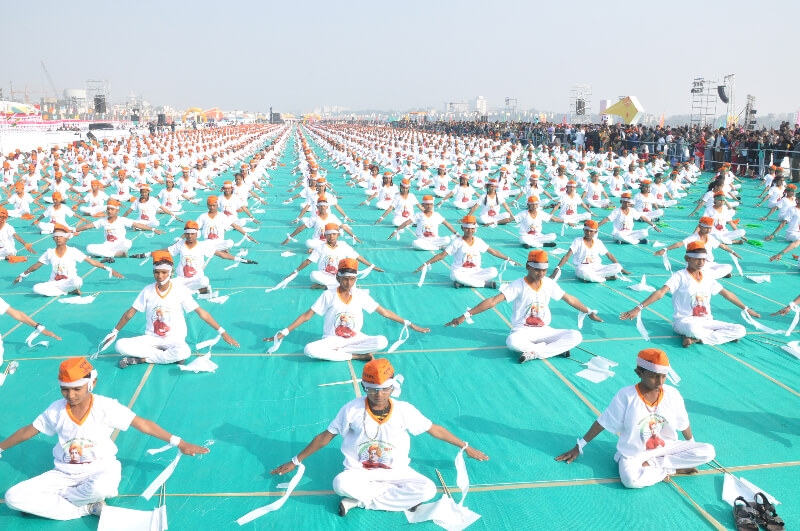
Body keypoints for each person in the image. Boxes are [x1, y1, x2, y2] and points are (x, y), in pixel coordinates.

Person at [270, 358, 488, 516]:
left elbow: (434, 429)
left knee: (428, 489)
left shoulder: (405, 409)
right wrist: (295, 461)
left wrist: (465, 446)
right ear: (365, 386)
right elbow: (325, 437)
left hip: (398, 471)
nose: (379, 394)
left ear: (393, 386)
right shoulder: (351, 409)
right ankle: (392, 499)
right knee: (339, 483)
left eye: (385, 389)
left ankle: (359, 502)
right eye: (373, 389)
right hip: (359, 472)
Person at [1, 357, 210, 521]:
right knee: (12, 497)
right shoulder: (55, 410)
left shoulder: (106, 407)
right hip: (64, 474)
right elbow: (29, 430)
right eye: (64, 389)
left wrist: (179, 442)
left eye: (76, 388)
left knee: (102, 488)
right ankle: (86, 508)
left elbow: (143, 424)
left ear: (92, 383)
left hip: (100, 470)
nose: (70, 394)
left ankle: (57, 504)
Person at [555, 349, 715, 488]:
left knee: (709, 451)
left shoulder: (672, 394)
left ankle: (656, 465)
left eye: (663, 377)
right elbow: (603, 422)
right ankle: (672, 469)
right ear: (639, 373)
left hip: (666, 447)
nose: (659, 382)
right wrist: (579, 446)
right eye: (654, 376)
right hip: (635, 453)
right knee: (630, 481)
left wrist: (691, 448)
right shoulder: (626, 395)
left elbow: (683, 422)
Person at [445, 250, 601, 363]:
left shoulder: (548, 283)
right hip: (523, 332)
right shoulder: (518, 285)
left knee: (576, 335)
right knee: (512, 342)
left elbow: (569, 299)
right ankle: (551, 350)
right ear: (528, 266)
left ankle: (535, 352)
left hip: (545, 331)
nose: (541, 274)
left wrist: (588, 311)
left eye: (544, 270)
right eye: (537, 270)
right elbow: (493, 301)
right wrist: (465, 316)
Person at [266, 259, 427, 362]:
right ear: (338, 279)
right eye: (345, 279)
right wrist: (283, 333)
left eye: (352, 279)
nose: (348, 283)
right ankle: (355, 356)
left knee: (382, 341)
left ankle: (336, 353)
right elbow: (307, 315)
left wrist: (410, 324)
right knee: (309, 350)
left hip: (356, 338)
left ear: (355, 279)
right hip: (332, 339)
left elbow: (384, 312)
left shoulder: (361, 295)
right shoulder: (328, 295)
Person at [105, 250, 239, 368]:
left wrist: (223, 332)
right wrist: (114, 332)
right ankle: (167, 357)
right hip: (151, 338)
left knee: (185, 351)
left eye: (164, 272)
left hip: (174, 339)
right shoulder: (147, 290)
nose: (160, 276)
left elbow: (201, 313)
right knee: (120, 345)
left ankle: (142, 360)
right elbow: (130, 313)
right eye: (157, 272)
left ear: (171, 273)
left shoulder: (180, 290)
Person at [620, 241, 756, 347]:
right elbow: (661, 293)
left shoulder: (707, 276)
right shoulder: (680, 276)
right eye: (697, 259)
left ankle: (696, 340)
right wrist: (638, 308)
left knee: (741, 329)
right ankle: (714, 337)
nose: (701, 262)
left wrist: (745, 308)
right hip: (684, 322)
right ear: (687, 258)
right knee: (693, 328)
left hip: (706, 321)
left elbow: (726, 294)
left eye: (703, 259)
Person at [131, 221, 257, 295]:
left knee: (205, 281)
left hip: (197, 278)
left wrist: (242, 260)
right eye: (187, 234)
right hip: (181, 278)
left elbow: (222, 255)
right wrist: (145, 254)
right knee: (167, 286)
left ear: (197, 234)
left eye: (192, 234)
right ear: (185, 234)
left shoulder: (203, 246)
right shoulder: (180, 244)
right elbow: (165, 251)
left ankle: (192, 290)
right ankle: (194, 291)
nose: (190, 236)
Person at [13, 223, 123, 296]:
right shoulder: (50, 252)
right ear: (53, 237)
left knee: (78, 281)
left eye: (60, 235)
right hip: (54, 283)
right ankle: (67, 291)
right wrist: (22, 274)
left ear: (66, 237)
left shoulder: (73, 251)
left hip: (69, 281)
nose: (58, 237)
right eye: (55, 235)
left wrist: (109, 269)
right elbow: (36, 265)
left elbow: (90, 261)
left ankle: (68, 289)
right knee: (36, 288)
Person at [413, 215, 521, 289]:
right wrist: (425, 264)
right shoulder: (457, 242)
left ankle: (464, 283)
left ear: (475, 229)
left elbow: (493, 252)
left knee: (493, 271)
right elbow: (442, 255)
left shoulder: (478, 241)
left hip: (476, 271)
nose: (470, 230)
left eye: (472, 228)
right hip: (460, 272)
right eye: (467, 228)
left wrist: (509, 259)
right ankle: (483, 284)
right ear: (462, 228)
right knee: (455, 275)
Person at [285, 223, 382, 289]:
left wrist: (372, 266)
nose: (331, 236)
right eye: (329, 235)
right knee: (313, 275)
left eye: (334, 234)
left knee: (350, 280)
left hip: (339, 276)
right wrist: (294, 272)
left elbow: (358, 257)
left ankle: (325, 287)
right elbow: (308, 261)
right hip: (324, 275)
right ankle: (334, 286)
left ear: (338, 235)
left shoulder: (344, 246)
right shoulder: (320, 247)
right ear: (325, 236)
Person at [73, 199, 164, 262]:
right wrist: (73, 229)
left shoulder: (122, 220)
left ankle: (109, 254)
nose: (109, 211)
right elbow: (88, 226)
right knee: (89, 247)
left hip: (120, 244)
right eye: (108, 209)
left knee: (127, 243)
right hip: (107, 246)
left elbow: (137, 225)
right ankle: (116, 254)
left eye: (112, 209)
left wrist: (153, 229)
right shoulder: (103, 221)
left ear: (117, 211)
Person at [654, 217, 739, 279]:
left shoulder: (710, 237)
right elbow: (680, 244)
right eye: (706, 228)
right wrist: (665, 249)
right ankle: (714, 275)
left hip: (709, 263)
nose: (708, 230)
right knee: (701, 271)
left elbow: (722, 245)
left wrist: (733, 252)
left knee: (728, 267)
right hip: (696, 264)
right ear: (700, 227)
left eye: (710, 228)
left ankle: (712, 275)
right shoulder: (693, 237)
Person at [552, 220, 629, 282]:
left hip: (598, 267)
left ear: (595, 232)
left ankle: (592, 278)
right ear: (583, 230)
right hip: (583, 268)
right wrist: (557, 268)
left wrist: (622, 269)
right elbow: (567, 256)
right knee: (583, 273)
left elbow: (609, 256)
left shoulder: (598, 242)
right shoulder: (578, 241)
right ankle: (606, 278)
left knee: (617, 267)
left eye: (591, 231)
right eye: (586, 230)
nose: (588, 233)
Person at [388, 195, 457, 250]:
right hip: (422, 240)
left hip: (435, 239)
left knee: (447, 239)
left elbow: (447, 224)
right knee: (415, 243)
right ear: (423, 205)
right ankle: (438, 247)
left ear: (432, 205)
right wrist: (396, 230)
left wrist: (456, 233)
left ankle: (432, 246)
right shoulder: (418, 215)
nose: (429, 206)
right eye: (427, 204)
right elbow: (406, 223)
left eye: (430, 204)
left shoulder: (437, 215)